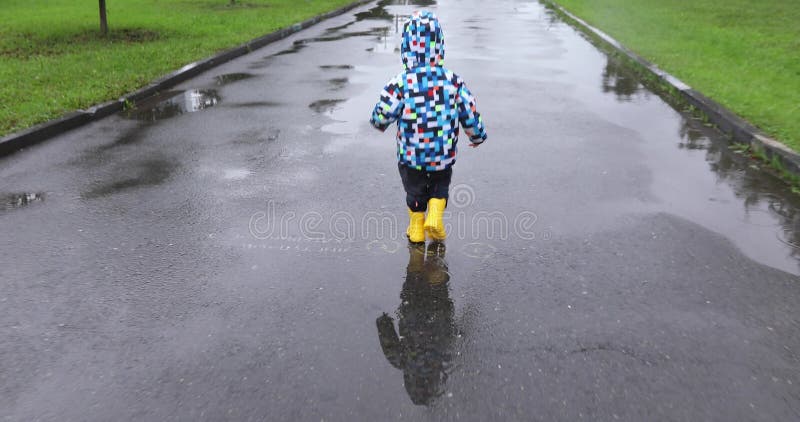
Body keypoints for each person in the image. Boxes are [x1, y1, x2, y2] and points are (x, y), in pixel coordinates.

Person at [370, 10, 488, 243]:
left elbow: (384, 110)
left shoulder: (402, 82)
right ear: (439, 45)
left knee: (414, 189)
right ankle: (435, 215)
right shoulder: (452, 80)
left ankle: (416, 228)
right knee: (440, 184)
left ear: (407, 47)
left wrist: (378, 121)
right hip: (442, 152)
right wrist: (476, 136)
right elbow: (469, 110)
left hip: (411, 153)